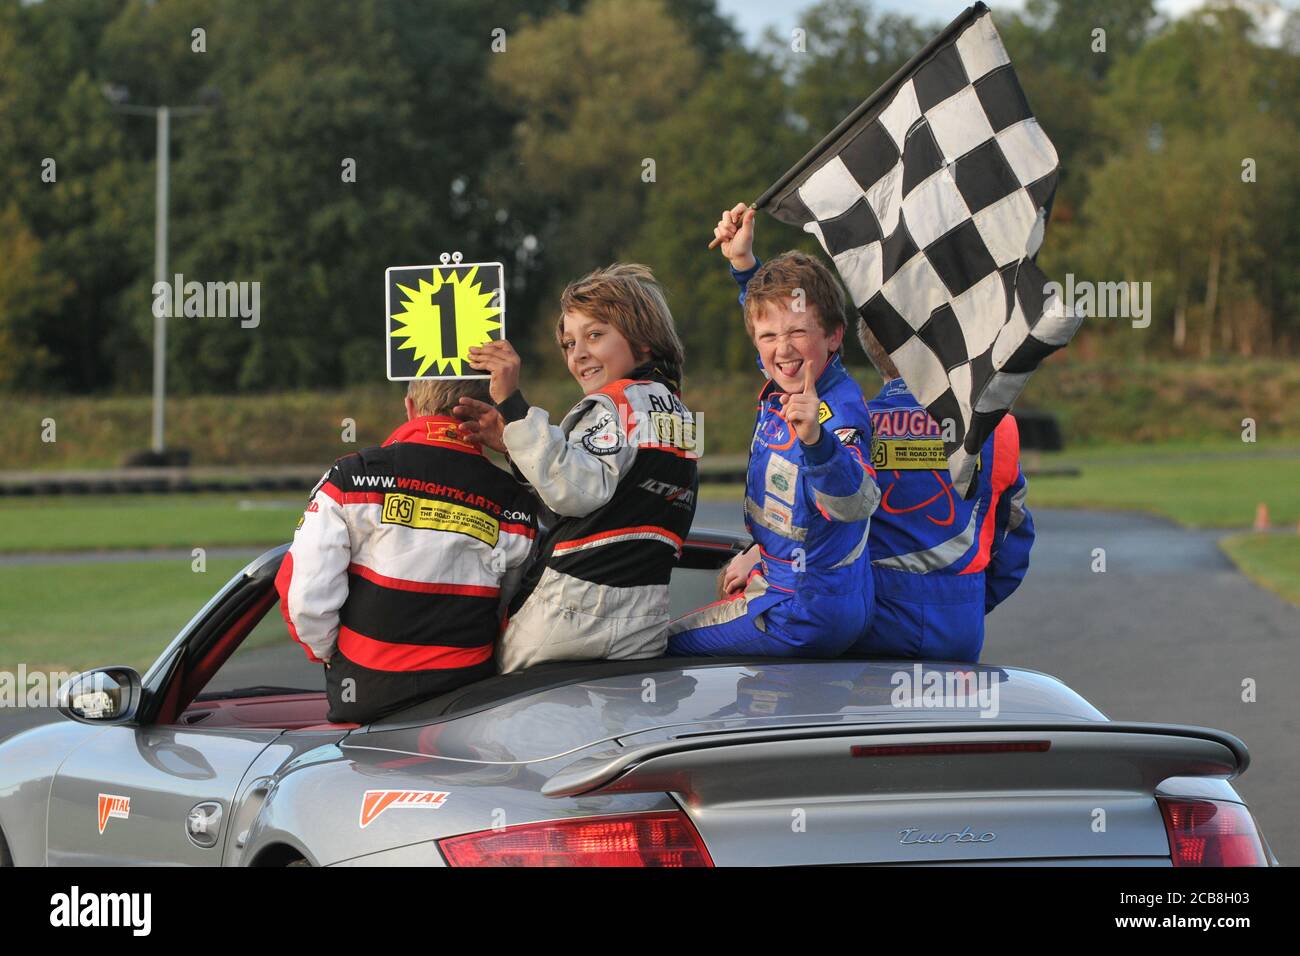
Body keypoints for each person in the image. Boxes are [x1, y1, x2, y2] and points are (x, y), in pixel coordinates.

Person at [712, 203, 1034, 662]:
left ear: (866, 341)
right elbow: (1013, 542)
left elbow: (817, 528)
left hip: (868, 627)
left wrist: (761, 557)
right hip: (958, 628)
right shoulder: (995, 428)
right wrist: (964, 604)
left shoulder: (847, 418)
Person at [455, 263, 699, 672]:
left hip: (571, 615)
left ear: (644, 342)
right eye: (569, 343)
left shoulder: (616, 403)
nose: (579, 353)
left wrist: (513, 404)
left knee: (489, 699)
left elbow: (574, 492)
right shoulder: (680, 415)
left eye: (595, 335)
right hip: (644, 620)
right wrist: (514, 446)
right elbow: (614, 503)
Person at [275, 378, 538, 724]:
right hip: (470, 700)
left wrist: (330, 655)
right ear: (485, 413)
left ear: (410, 407)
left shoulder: (352, 475)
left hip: (366, 692)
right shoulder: (515, 498)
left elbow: (306, 597)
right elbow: (512, 609)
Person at [664, 238, 880, 657]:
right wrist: (744, 264)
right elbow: (773, 322)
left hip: (799, 610)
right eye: (767, 336)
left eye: (798, 332)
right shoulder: (792, 372)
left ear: (834, 336)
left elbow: (855, 504)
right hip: (805, 594)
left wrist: (817, 441)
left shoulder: (837, 411)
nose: (782, 348)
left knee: (658, 648)